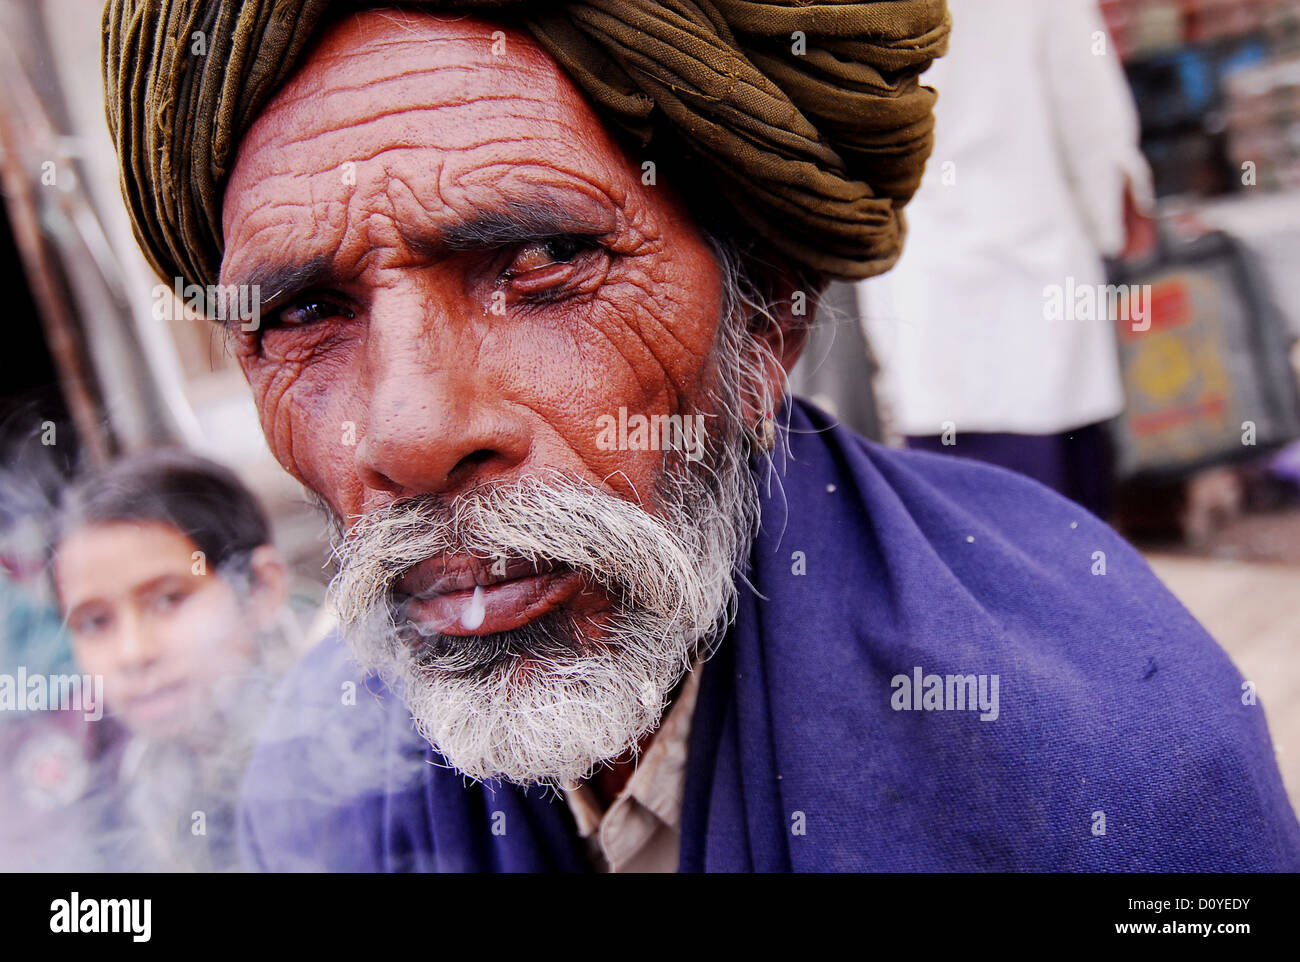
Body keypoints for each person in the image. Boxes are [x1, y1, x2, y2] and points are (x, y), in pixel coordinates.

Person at [101, 0, 1299, 871]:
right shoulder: (314, 796)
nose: (409, 435)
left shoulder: (1109, 768)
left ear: (770, 310)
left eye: (544, 260)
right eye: (305, 312)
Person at [861, 0, 1157, 518]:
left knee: (963, 528)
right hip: (1036, 278)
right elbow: (1091, 122)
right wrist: (1111, 224)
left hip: (926, 286)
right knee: (1065, 530)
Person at [52, 450, 291, 870]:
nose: (134, 653)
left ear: (259, 590)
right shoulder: (138, 779)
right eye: (94, 622)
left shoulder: (353, 736)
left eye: (168, 599)